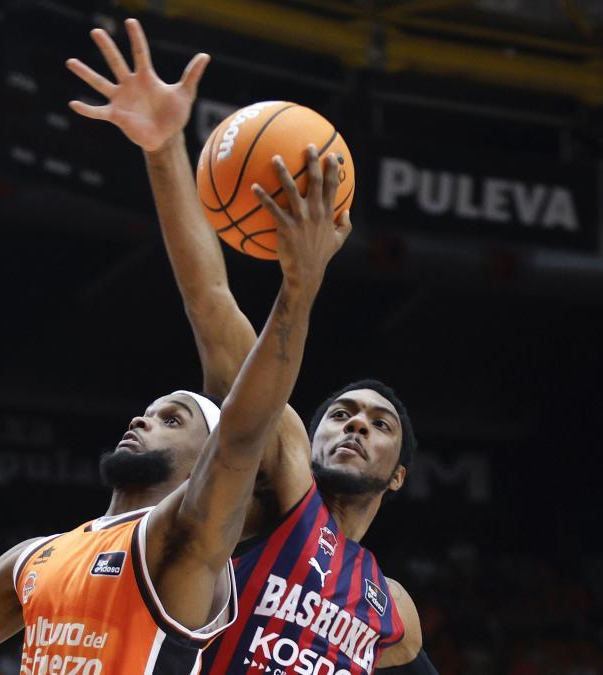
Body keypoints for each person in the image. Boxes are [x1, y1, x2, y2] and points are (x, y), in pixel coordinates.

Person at [0, 59, 351, 675]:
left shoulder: (182, 540)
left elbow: (240, 412)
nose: (143, 421)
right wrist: (161, 146)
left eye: (173, 419)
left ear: (206, 458)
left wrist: (298, 289)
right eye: (150, 413)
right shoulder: (34, 558)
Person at [65, 18, 434, 674]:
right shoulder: (271, 498)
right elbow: (210, 302)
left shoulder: (394, 611)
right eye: (340, 414)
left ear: (399, 474)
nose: (355, 424)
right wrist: (163, 148)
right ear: (306, 439)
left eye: (380, 424)